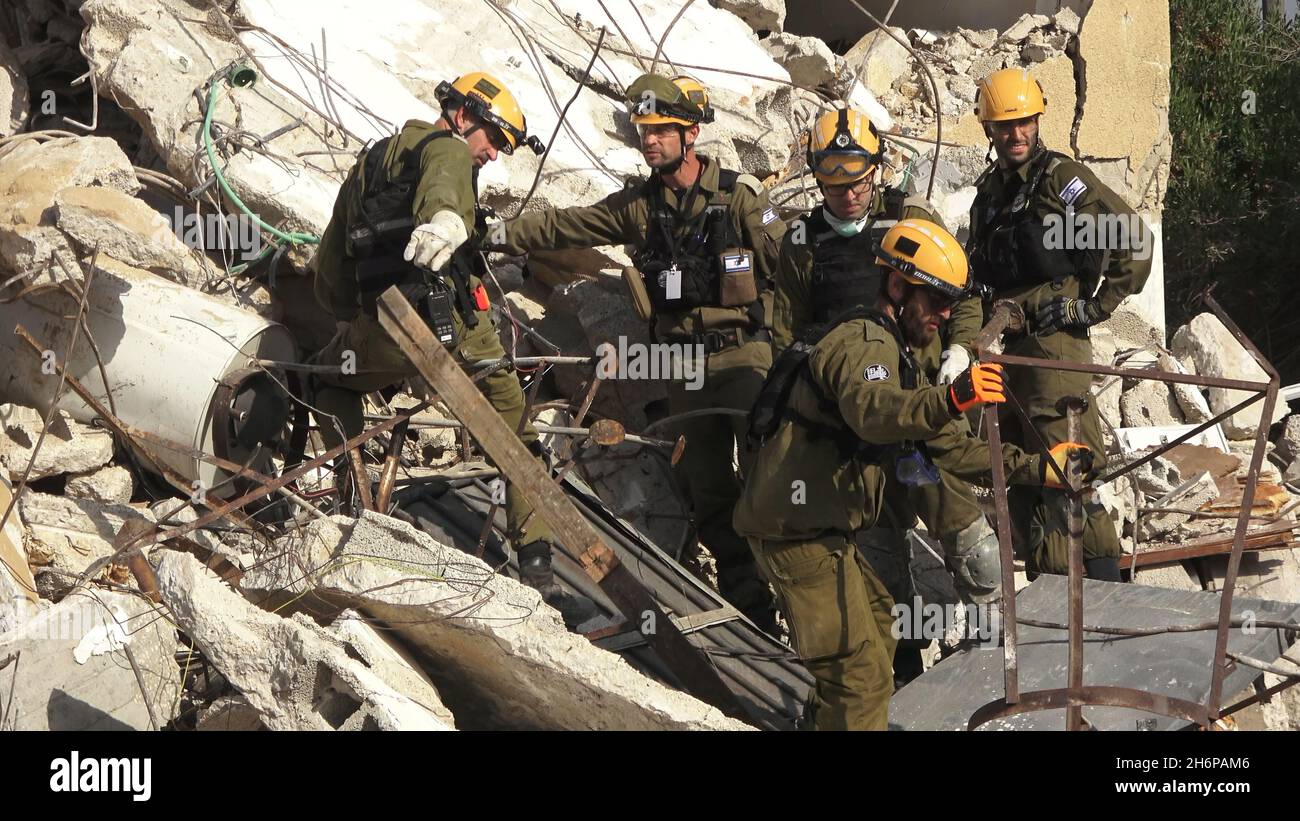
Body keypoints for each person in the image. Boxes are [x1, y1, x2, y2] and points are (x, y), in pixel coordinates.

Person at [735, 218, 1094, 730]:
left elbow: (946, 446)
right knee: (860, 679)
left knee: (880, 628)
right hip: (792, 533)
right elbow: (874, 411)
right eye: (936, 302)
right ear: (898, 286)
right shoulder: (863, 345)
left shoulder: (897, 349)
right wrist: (950, 397)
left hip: (823, 529)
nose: (945, 317)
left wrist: (1041, 467)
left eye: (952, 304)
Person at [483, 73, 786, 633]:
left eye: (662, 131)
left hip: (746, 359)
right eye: (644, 130)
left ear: (691, 133)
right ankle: (757, 614)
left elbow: (790, 265)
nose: (650, 140)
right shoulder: (640, 208)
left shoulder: (742, 197)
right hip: (681, 369)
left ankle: (804, 607)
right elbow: (568, 224)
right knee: (709, 491)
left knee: (774, 484)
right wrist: (499, 232)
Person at [309, 71, 596, 628]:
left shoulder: (372, 159)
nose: (493, 154)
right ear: (463, 115)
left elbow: (330, 268)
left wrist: (355, 322)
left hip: (384, 330)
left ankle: (354, 498)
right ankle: (536, 572)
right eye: (493, 138)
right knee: (515, 436)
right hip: (457, 332)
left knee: (326, 381)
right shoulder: (448, 150)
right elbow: (445, 190)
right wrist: (445, 220)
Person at [774, 104, 995, 683]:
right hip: (855, 431)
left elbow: (963, 294)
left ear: (879, 169)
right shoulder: (801, 242)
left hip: (925, 416)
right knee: (882, 561)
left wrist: (960, 349)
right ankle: (908, 682)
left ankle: (990, 665)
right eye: (834, 182)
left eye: (859, 179)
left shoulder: (912, 218)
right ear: (817, 177)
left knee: (975, 548)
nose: (848, 194)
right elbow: (788, 333)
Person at [966, 68, 1151, 580]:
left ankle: (1104, 591)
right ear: (988, 129)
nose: (1016, 134)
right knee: (1024, 475)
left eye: (1024, 122)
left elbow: (1133, 238)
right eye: (1005, 126)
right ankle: (1050, 601)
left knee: (1068, 467)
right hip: (1008, 356)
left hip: (1054, 352)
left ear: (1037, 119)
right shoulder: (991, 194)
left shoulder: (1059, 181)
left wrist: (1092, 308)